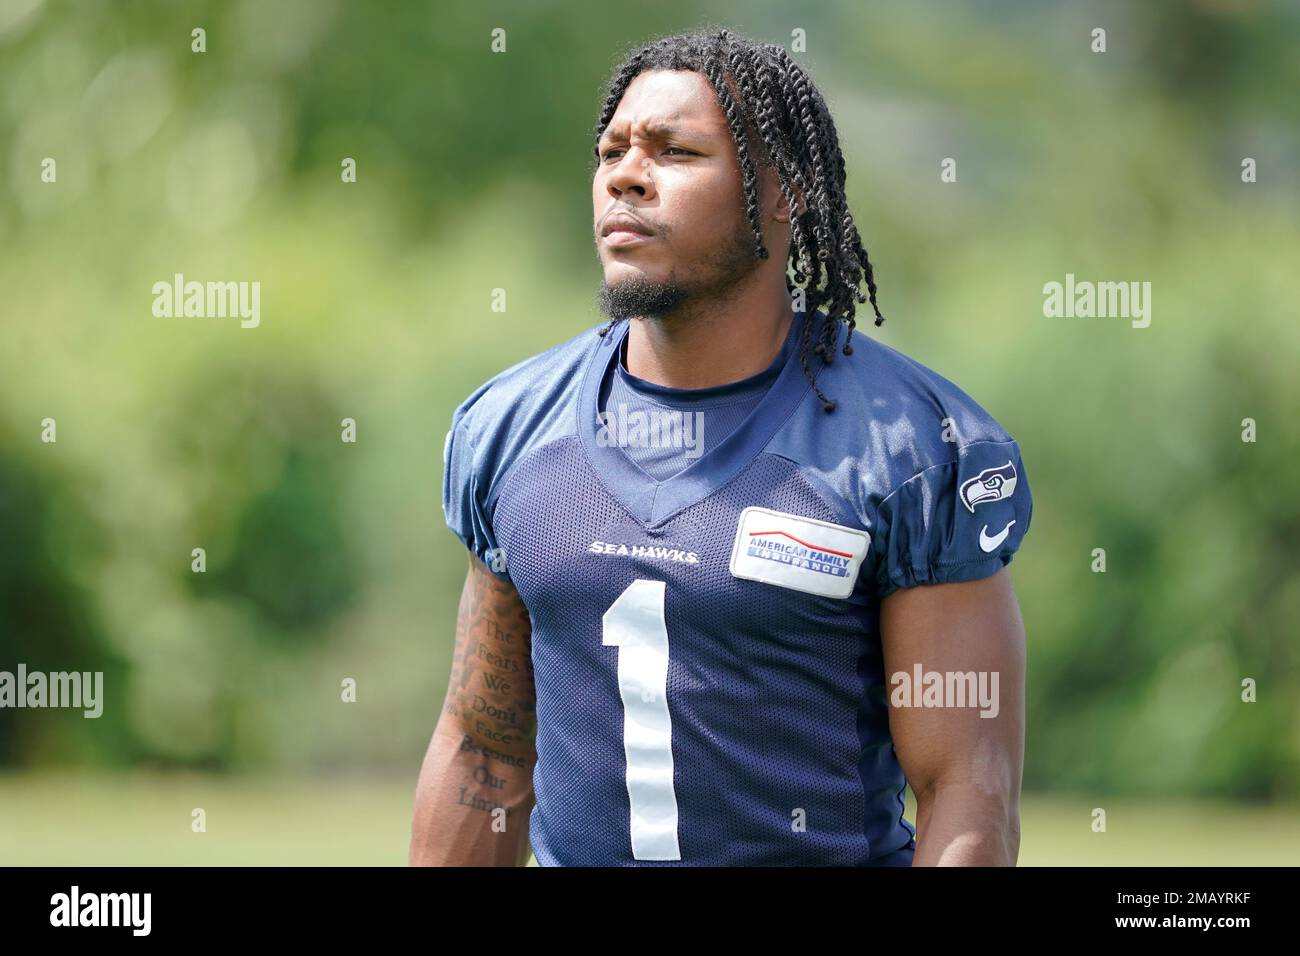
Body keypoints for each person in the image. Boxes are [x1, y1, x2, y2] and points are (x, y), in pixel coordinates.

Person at [410, 28, 1030, 866]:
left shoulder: (910, 449)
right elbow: (485, 753)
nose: (626, 175)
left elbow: (965, 788)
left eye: (675, 151)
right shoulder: (516, 426)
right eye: (612, 151)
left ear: (787, 194)